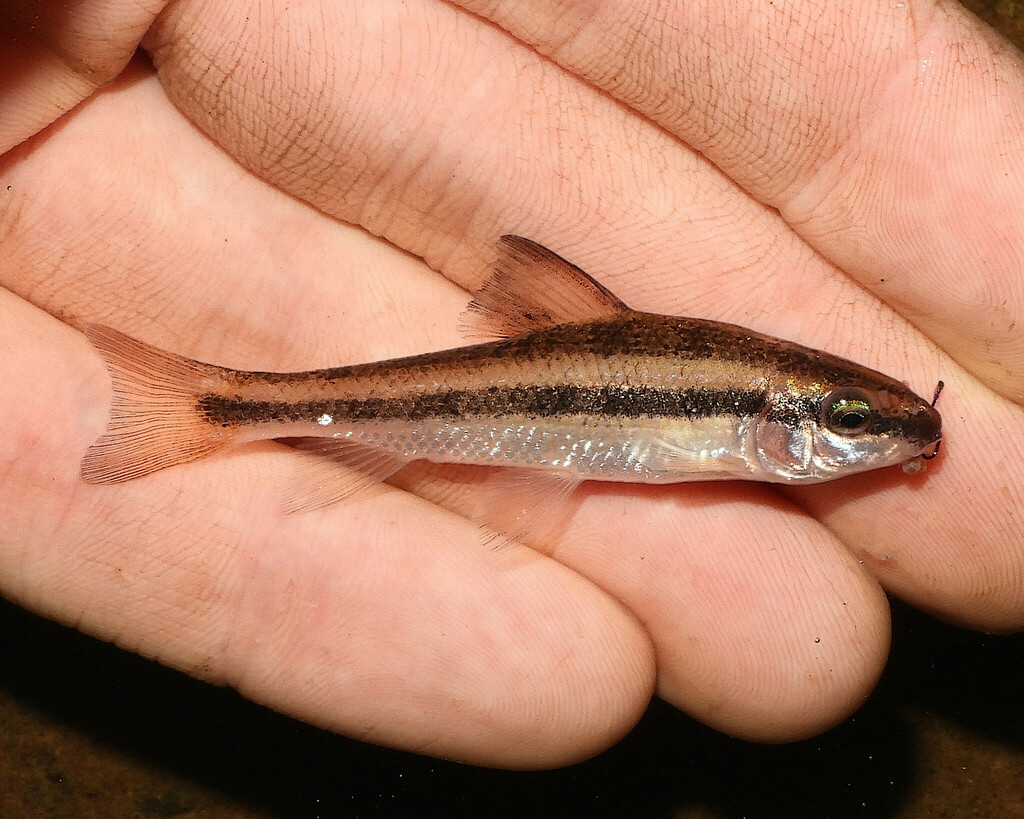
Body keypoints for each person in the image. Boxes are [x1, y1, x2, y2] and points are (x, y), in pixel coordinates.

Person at [1, 0, 1021, 769]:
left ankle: (224, 406)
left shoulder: (742, 396)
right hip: (531, 397)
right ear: (777, 416)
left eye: (864, 423)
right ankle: (216, 406)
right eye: (852, 421)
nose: (876, 436)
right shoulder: (733, 402)